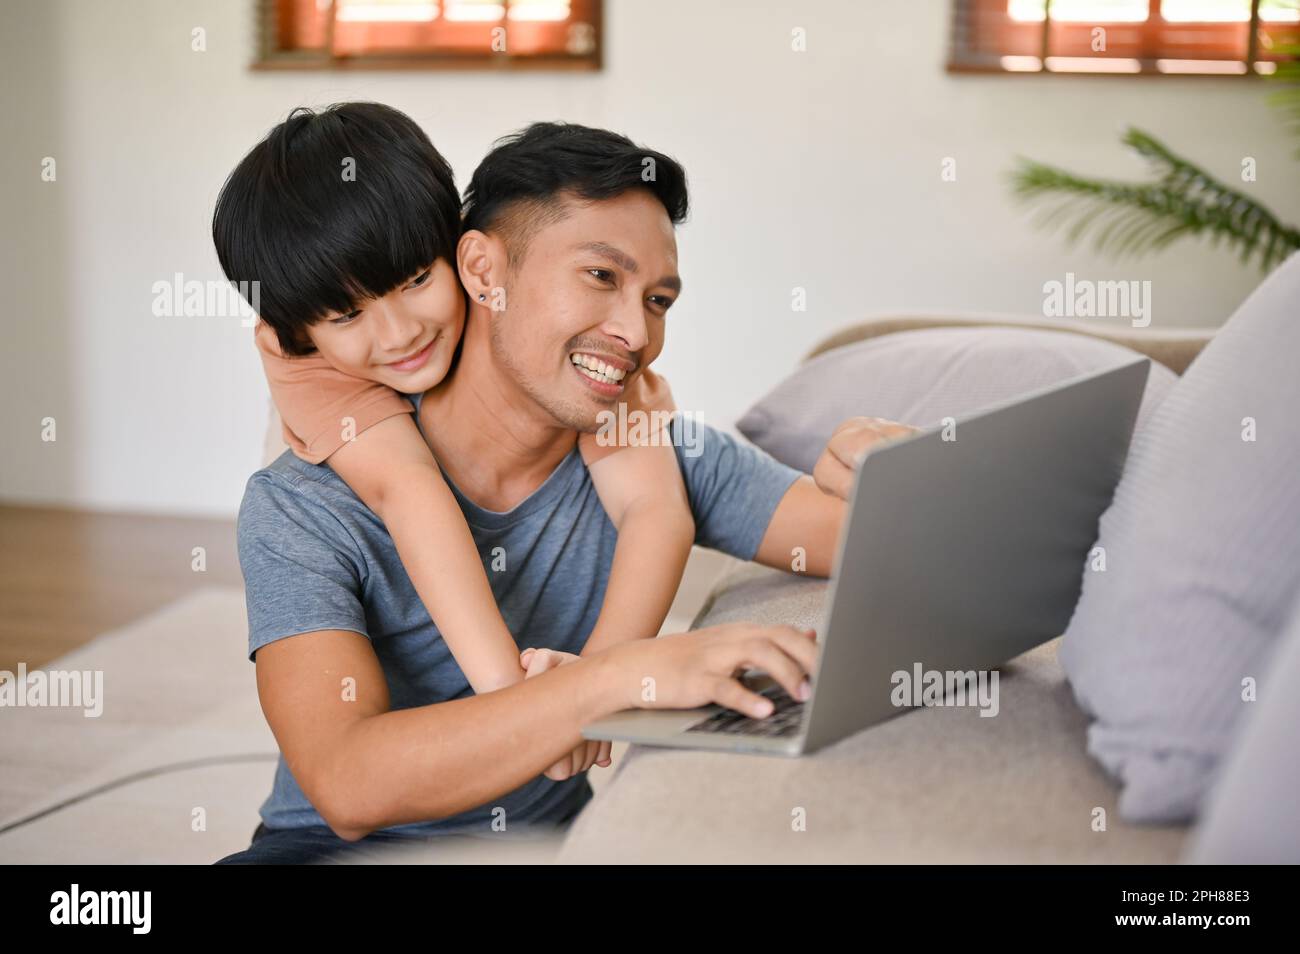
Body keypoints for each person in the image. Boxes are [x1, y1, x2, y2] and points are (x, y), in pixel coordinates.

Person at [214, 114, 910, 864]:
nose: (636, 334)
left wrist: (875, 467)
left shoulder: (649, 443)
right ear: (483, 270)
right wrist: (609, 684)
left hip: (544, 846)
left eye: (658, 300)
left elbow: (890, 543)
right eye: (600, 276)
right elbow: (347, 789)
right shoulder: (304, 503)